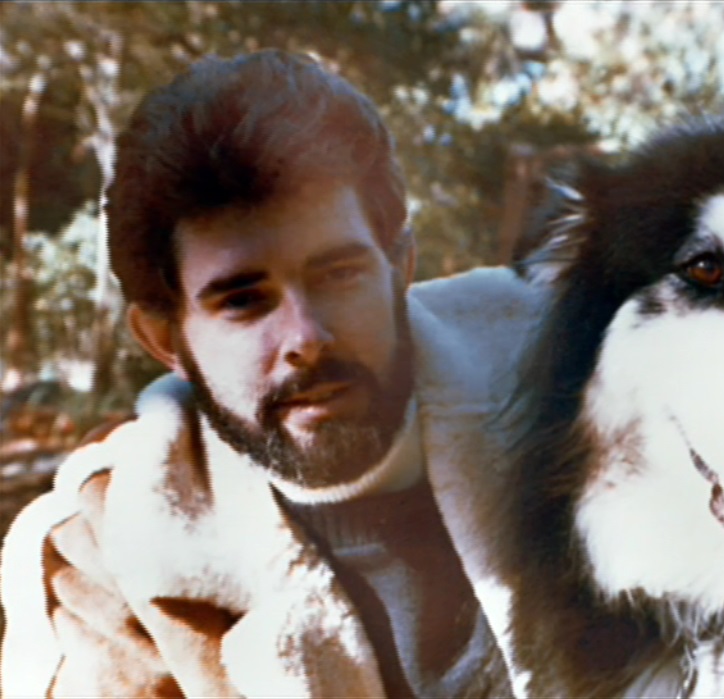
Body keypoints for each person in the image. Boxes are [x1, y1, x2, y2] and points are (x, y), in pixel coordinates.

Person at [0, 50, 541, 698]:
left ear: (400, 268)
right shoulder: (113, 546)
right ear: (164, 338)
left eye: (339, 274)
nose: (306, 339)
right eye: (242, 300)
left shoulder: (587, 403)